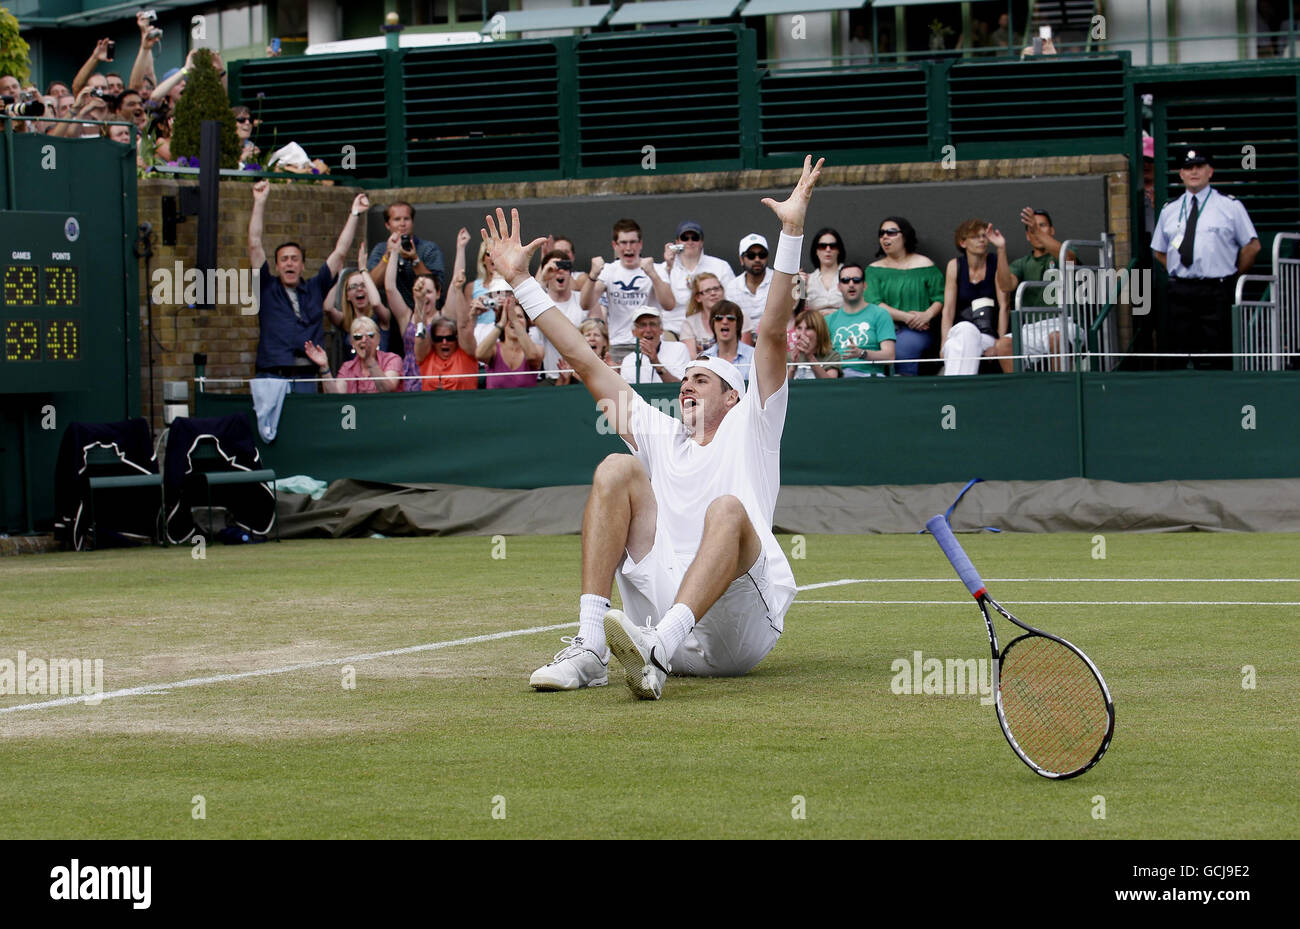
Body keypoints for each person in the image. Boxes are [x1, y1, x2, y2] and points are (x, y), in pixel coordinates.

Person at [507, 154, 822, 699]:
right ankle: (590, 647)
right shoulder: (662, 431)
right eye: (685, 378)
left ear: (733, 396)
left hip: (736, 631)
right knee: (615, 468)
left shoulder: (755, 423)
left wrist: (791, 233)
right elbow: (585, 361)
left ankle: (658, 645)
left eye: (703, 379)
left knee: (727, 508)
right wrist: (519, 283)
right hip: (662, 609)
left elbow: (771, 334)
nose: (687, 384)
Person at [248, 179, 367, 391]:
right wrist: (259, 202)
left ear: (302, 266)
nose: (289, 263)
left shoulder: (315, 287)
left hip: (307, 376)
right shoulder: (266, 287)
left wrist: (355, 213)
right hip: (272, 376)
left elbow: (340, 252)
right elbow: (254, 244)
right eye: (284, 259)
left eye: (294, 259)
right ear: (276, 266)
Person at [1152, 147, 1261, 370]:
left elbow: (1252, 246)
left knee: (1219, 352)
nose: (1194, 172)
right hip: (1180, 291)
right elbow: (1159, 251)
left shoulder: (1229, 207)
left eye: (1199, 167)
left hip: (1216, 290)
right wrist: (1178, 269)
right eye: (1188, 167)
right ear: (1180, 173)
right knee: (1175, 354)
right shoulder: (1169, 210)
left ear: (1210, 171)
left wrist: (1232, 274)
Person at [990, 208, 1079, 370]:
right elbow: (1006, 285)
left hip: (1064, 323)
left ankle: (1060, 392)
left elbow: (1068, 259)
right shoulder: (1022, 263)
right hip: (1032, 327)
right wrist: (1001, 249)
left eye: (1042, 226)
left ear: (1052, 230)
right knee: (1003, 345)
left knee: (1056, 339)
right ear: (1027, 236)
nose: (1037, 232)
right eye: (1032, 229)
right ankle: (1022, 393)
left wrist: (1036, 231)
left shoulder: (1063, 250)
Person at [581, 218, 674, 364]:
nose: (629, 247)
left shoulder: (657, 269)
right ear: (615, 245)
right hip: (619, 345)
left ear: (640, 244)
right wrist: (592, 275)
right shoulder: (609, 270)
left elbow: (669, 304)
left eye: (633, 242)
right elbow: (585, 304)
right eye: (623, 242)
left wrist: (653, 275)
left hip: (650, 342)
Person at [864, 216, 943, 375]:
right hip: (883, 330)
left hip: (919, 330)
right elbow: (874, 303)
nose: (885, 236)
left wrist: (927, 315)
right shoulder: (874, 270)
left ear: (905, 236)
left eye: (891, 232)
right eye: (882, 233)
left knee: (903, 348)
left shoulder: (925, 265)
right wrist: (908, 317)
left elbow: (940, 297)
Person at [940, 219, 1011, 375]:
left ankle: (954, 394)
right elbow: (948, 309)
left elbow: (1004, 306)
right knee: (962, 334)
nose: (981, 240)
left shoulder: (995, 262)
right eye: (975, 237)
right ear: (963, 242)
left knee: (955, 346)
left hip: (987, 337)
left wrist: (999, 343)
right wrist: (943, 343)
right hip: (960, 332)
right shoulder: (955, 265)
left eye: (984, 236)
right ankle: (963, 391)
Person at [414, 231, 479, 391]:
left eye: (450, 338)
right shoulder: (426, 356)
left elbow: (463, 325)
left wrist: (458, 289)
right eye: (438, 338)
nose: (444, 342)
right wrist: (419, 302)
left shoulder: (466, 353)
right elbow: (420, 331)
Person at [384, 233, 440, 391]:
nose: (424, 295)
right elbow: (389, 288)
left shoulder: (443, 317)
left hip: (435, 378)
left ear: (437, 293)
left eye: (429, 291)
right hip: (410, 381)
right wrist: (394, 252)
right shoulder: (406, 317)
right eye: (421, 291)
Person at [658, 220, 734, 336]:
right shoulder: (664, 268)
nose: (690, 242)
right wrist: (669, 267)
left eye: (695, 238)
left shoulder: (720, 266)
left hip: (711, 330)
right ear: (677, 242)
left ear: (701, 242)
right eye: (685, 238)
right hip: (673, 330)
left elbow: (731, 301)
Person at [366, 200, 446, 309]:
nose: (402, 224)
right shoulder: (380, 249)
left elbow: (437, 287)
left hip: (425, 312)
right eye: (397, 219)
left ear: (412, 222)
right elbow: (371, 285)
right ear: (387, 225)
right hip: (391, 316)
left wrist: (415, 260)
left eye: (406, 219)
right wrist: (388, 256)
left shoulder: (429, 249)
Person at [824, 262, 896, 376]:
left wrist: (862, 353)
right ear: (839, 287)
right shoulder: (829, 320)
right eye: (845, 280)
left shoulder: (881, 314)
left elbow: (889, 356)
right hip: (838, 380)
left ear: (864, 285)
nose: (851, 284)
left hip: (871, 379)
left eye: (856, 280)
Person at [305, 316, 401, 394]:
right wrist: (324, 367)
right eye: (358, 337)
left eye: (370, 335)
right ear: (352, 343)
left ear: (378, 339)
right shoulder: (347, 367)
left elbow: (388, 391)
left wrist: (370, 361)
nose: (364, 340)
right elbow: (335, 397)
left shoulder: (392, 359)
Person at [325, 245, 391, 353]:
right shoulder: (345, 320)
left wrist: (363, 269)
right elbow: (328, 308)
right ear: (348, 296)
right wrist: (337, 277)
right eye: (353, 287)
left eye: (363, 285)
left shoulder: (382, 317)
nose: (359, 289)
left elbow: (375, 303)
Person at [536, 248, 588, 380]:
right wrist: (543, 278)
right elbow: (527, 315)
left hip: (582, 377)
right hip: (552, 378)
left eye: (564, 267)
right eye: (553, 268)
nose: (559, 271)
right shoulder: (541, 302)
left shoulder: (582, 300)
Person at [478, 298, 543, 388]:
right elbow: (479, 354)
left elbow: (532, 357)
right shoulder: (494, 349)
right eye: (510, 316)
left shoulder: (538, 349)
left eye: (519, 316)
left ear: (526, 323)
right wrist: (501, 323)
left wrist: (515, 322)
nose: (513, 319)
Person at [619, 308, 690, 384]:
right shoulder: (628, 360)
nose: (648, 330)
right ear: (634, 332)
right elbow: (625, 393)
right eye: (642, 325)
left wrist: (657, 363)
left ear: (661, 330)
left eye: (652, 324)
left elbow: (682, 387)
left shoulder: (679, 349)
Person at [725, 233, 773, 343]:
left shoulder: (779, 280)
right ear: (741, 259)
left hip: (774, 340)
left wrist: (802, 284)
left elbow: (801, 305)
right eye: (751, 255)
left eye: (762, 255)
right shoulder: (732, 287)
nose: (757, 259)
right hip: (741, 341)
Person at [700, 300, 754, 385]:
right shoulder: (704, 358)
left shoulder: (754, 356)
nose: (725, 322)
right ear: (712, 324)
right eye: (719, 318)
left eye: (730, 318)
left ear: (738, 324)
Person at [787, 308, 843, 379]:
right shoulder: (788, 356)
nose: (802, 334)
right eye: (799, 328)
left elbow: (830, 385)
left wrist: (810, 357)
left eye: (808, 328)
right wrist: (793, 366)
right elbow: (783, 387)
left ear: (819, 332)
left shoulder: (832, 356)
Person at [558, 319, 616, 386]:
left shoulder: (611, 368)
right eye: (588, 335)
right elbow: (556, 395)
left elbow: (622, 394)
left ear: (605, 342)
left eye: (596, 335)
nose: (592, 338)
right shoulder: (569, 368)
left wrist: (615, 376)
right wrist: (564, 379)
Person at [679, 272, 725, 356]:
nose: (713, 293)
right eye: (707, 291)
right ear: (698, 297)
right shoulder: (689, 324)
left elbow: (746, 354)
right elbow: (691, 359)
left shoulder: (739, 316)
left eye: (716, 288)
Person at [802, 226, 846, 313]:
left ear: (839, 250)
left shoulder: (850, 276)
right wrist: (800, 287)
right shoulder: (806, 279)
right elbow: (795, 311)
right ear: (816, 251)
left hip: (845, 323)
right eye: (822, 246)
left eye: (833, 246)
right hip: (815, 325)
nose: (828, 249)